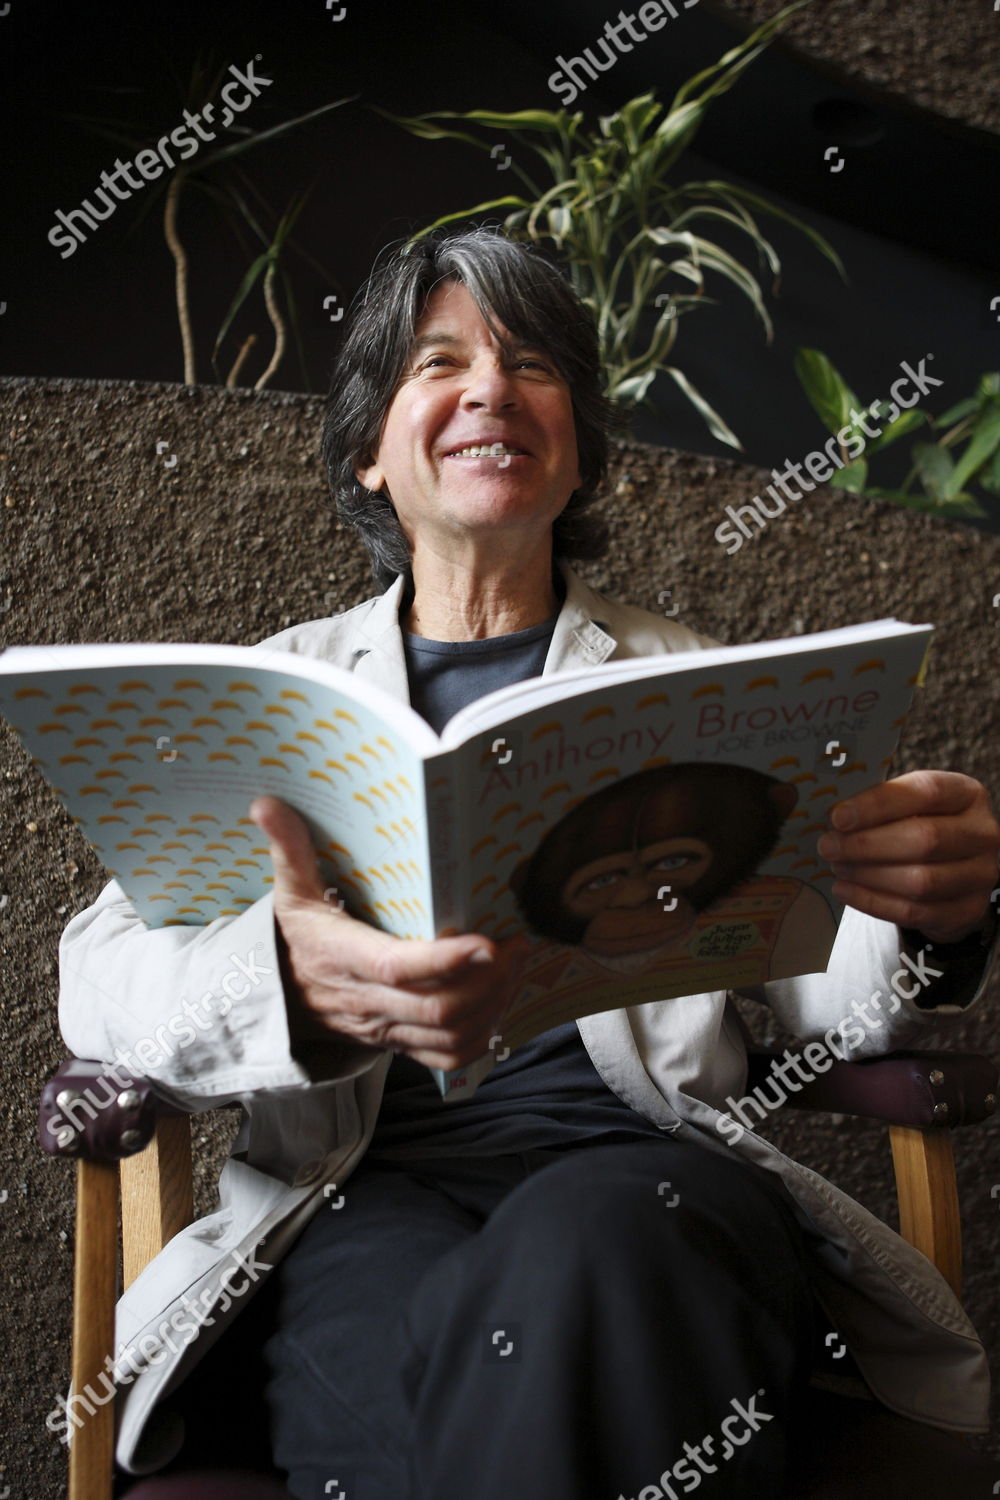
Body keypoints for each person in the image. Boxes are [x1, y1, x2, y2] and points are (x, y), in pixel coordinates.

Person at [58, 227, 1000, 1500]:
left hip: (653, 1183)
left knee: (591, 1242)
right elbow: (99, 979)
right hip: (350, 1202)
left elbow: (821, 992)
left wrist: (938, 915)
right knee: (404, 1319)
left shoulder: (707, 692)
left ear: (576, 450)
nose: (491, 388)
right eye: (437, 362)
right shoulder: (266, 704)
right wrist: (283, 978)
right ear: (368, 456)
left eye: (533, 362)